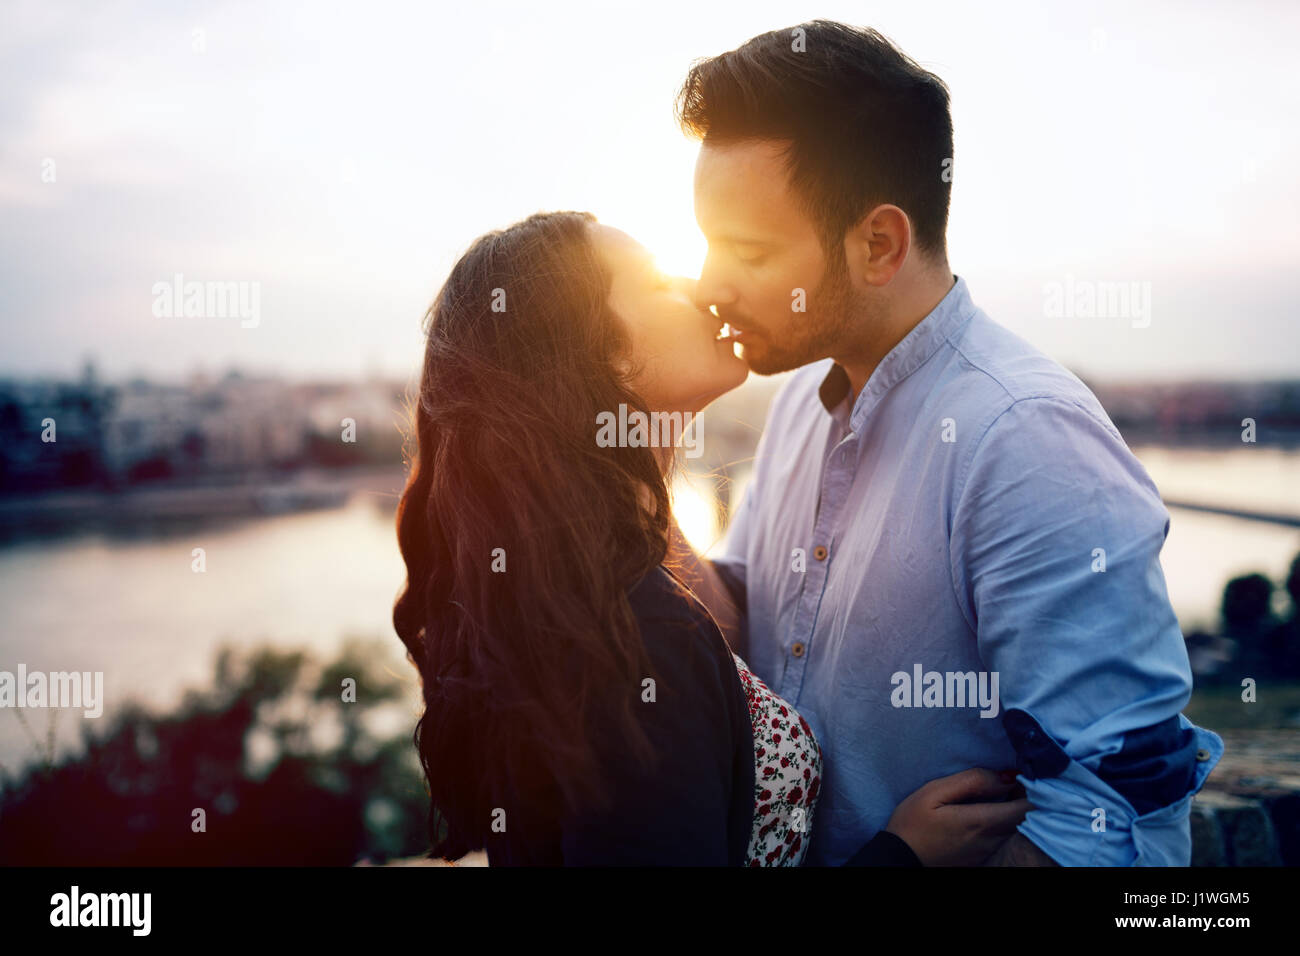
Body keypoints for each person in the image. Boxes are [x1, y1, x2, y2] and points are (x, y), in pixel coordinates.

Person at [669, 20, 1223, 866]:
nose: (709, 281)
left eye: (746, 249)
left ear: (879, 244)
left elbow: (1109, 822)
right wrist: (615, 471)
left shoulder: (1025, 439)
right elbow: (742, 626)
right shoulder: (795, 408)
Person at [393, 209, 1028, 865]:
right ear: (601, 356)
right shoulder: (639, 643)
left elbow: (727, 601)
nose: (700, 290)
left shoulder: (570, 601)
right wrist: (904, 856)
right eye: (659, 283)